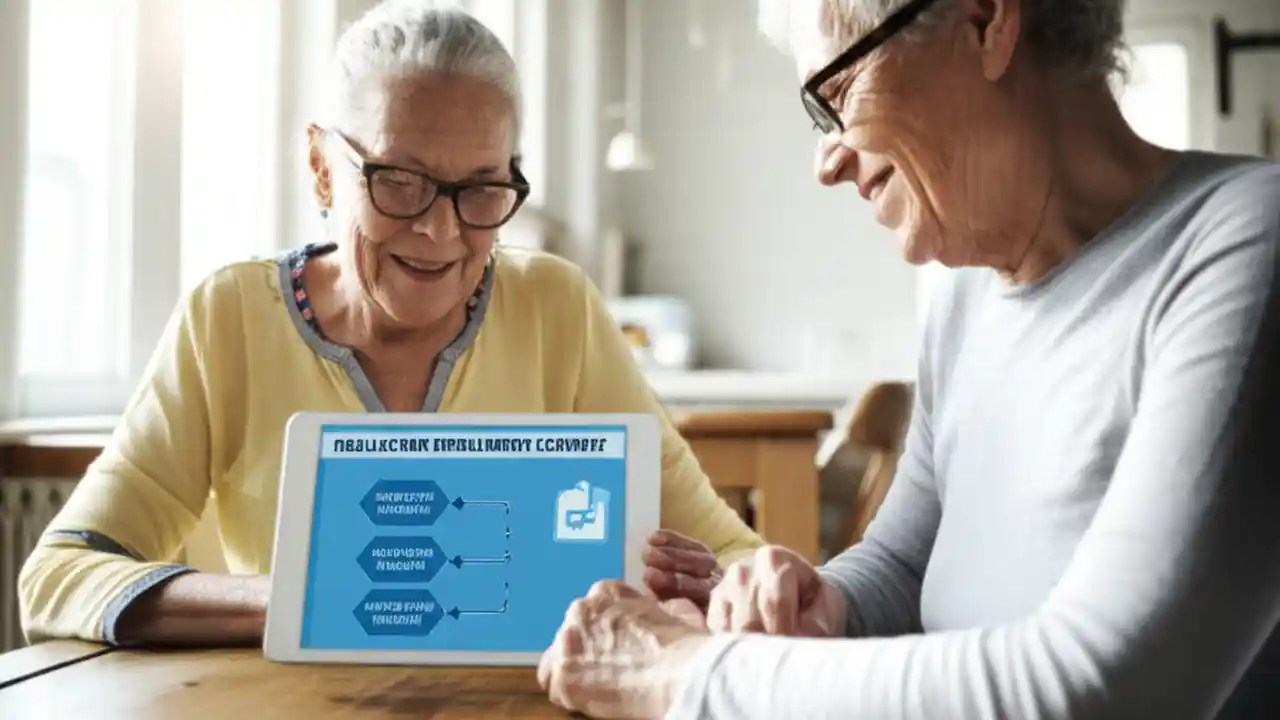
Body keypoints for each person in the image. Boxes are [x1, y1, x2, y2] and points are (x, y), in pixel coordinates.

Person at [538, 0, 1280, 717]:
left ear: (986, 20)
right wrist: (821, 607)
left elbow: (1112, 687)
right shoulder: (965, 301)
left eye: (838, 92)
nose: (827, 162)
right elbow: (901, 565)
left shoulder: (1245, 243)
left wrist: (682, 671)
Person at [18, 1, 760, 648]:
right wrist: (306, 601)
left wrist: (720, 588)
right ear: (320, 167)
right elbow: (58, 578)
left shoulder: (555, 307)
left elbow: (733, 554)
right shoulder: (230, 319)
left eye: (480, 190)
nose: (440, 232)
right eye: (398, 182)